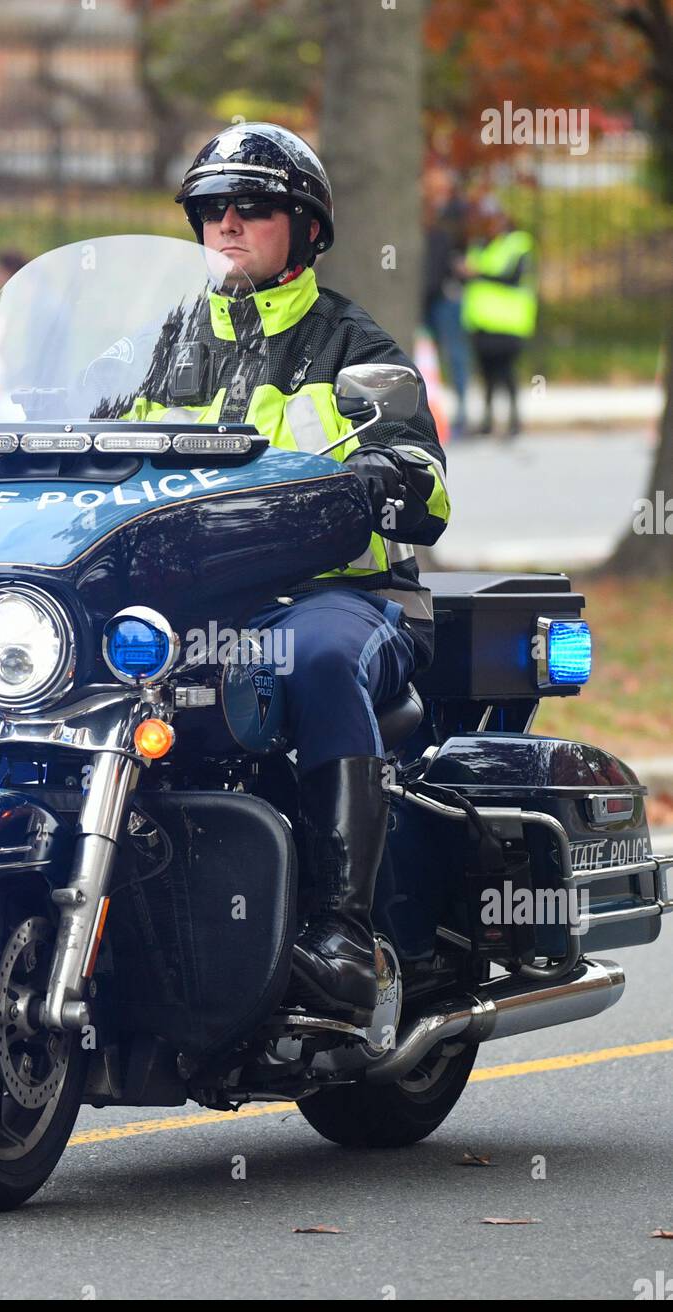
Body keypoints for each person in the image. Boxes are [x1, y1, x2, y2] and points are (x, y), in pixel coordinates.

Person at [168, 122, 450, 1025]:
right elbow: (57, 431)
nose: (229, 223)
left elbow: (431, 494)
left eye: (253, 205)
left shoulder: (354, 347)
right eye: (212, 207)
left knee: (314, 661)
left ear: (308, 228)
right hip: (189, 604)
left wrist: (386, 475)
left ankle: (343, 930)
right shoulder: (157, 347)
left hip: (342, 599)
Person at [458, 200, 537, 437]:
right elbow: (467, 279)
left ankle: (514, 420)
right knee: (487, 374)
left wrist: (478, 273)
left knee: (506, 372)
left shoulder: (518, 244)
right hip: (481, 322)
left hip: (509, 322)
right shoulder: (479, 246)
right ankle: (488, 420)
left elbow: (512, 277)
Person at [422, 165, 471, 437]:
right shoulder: (423, 214)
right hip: (427, 293)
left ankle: (461, 410)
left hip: (446, 293)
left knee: (455, 353)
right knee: (428, 356)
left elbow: (461, 252)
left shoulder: (457, 214)